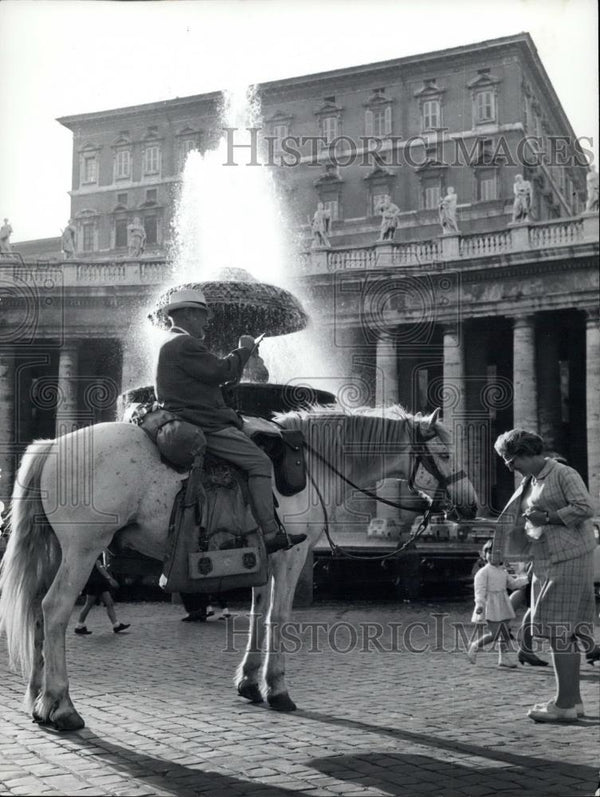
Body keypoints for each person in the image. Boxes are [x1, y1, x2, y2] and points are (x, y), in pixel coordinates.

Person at [153, 286, 307, 555]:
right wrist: (244, 350)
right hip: (204, 422)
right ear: (188, 314)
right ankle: (270, 532)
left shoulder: (171, 344)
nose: (207, 321)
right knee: (260, 461)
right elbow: (220, 370)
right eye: (202, 315)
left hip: (191, 415)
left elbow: (213, 378)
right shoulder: (185, 343)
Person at [493, 429, 597, 722]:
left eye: (511, 460)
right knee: (563, 632)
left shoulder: (562, 473)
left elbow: (585, 507)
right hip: (549, 558)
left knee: (558, 632)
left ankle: (563, 705)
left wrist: (547, 518)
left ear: (527, 453)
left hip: (566, 558)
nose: (509, 467)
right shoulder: (534, 478)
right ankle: (572, 701)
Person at [467, 540, 528, 668]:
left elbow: (512, 584)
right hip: (491, 604)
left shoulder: (503, 572)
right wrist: (479, 604)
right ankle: (475, 645)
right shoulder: (483, 572)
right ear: (484, 555)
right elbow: (479, 590)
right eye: (490, 552)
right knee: (494, 634)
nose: (493, 555)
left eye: (497, 553)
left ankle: (503, 657)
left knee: (505, 632)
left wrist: (526, 579)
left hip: (503, 603)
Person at [74, 553, 130, 635]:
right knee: (89, 603)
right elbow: (98, 565)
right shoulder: (96, 548)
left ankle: (116, 625)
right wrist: (110, 578)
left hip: (99, 580)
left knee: (109, 602)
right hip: (94, 580)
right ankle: (79, 625)